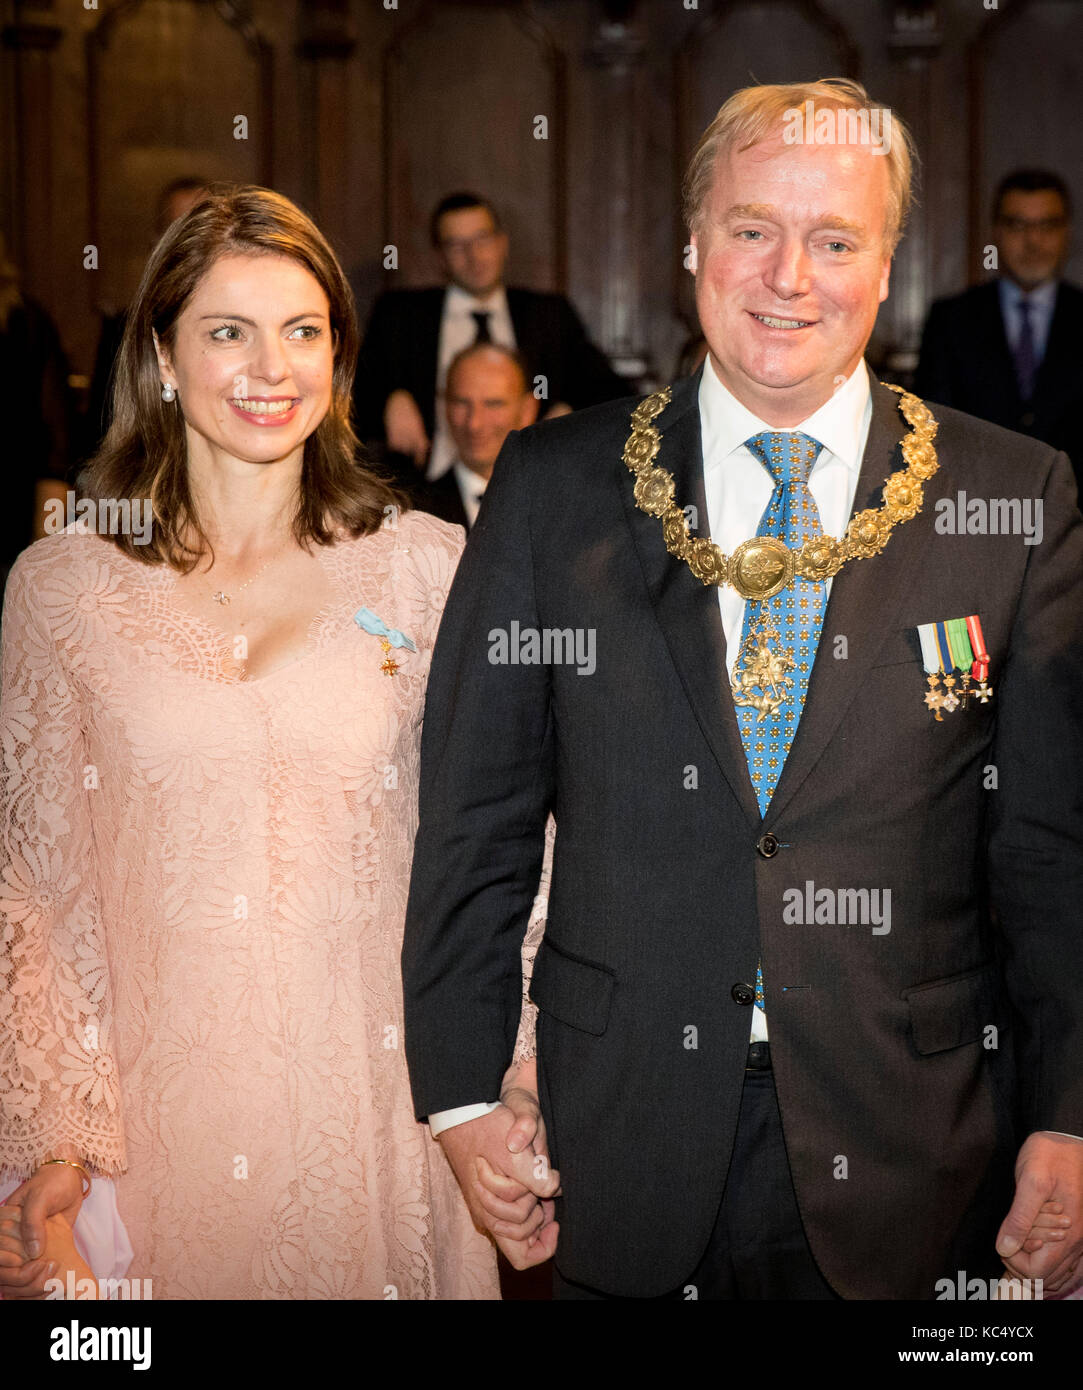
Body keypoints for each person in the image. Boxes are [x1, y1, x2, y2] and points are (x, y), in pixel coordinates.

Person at [401, 79, 1083, 1299]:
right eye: (751, 228)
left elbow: (1049, 851)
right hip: (615, 1147)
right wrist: (458, 1093)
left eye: (834, 241)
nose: (788, 276)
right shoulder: (552, 489)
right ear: (691, 243)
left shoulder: (1014, 500)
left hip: (917, 1154)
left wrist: (1072, 1115)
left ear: (887, 265)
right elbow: (474, 824)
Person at [0, 183, 519, 1300]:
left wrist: (509, 1083)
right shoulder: (61, 588)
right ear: (162, 355)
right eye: (227, 331)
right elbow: (37, 890)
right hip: (157, 1125)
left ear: (339, 355)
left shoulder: (429, 568)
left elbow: (506, 849)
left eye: (303, 331)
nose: (270, 367)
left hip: (381, 1107)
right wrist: (52, 1136)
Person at [353, 191, 626, 483]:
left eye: (482, 239)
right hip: (425, 491)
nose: (474, 255)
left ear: (502, 243)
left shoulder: (548, 315)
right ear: (439, 257)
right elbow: (351, 396)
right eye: (457, 245)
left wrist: (570, 412)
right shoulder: (401, 314)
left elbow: (612, 392)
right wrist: (390, 400)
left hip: (532, 485)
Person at [915, 169, 1082, 489]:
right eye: (1017, 225)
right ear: (995, 231)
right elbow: (933, 430)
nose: (1033, 241)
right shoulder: (951, 320)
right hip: (975, 511)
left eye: (1047, 225)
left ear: (1067, 232)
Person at [84, 176, 213, 456]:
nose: (193, 244)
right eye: (179, 230)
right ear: (159, 243)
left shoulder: (249, 322)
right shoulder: (126, 330)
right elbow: (101, 436)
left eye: (204, 228)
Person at [413, 343, 538, 531]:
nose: (474, 423)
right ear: (444, 408)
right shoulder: (416, 513)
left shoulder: (558, 502)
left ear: (527, 410)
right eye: (461, 403)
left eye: (493, 404)